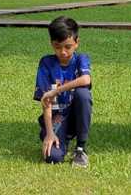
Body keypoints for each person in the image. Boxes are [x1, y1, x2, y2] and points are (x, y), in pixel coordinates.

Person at [34, 16, 92, 168]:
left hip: (75, 115)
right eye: (57, 47)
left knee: (83, 94)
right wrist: (49, 133)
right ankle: (60, 138)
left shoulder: (81, 59)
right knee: (52, 157)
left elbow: (86, 79)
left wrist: (57, 90)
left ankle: (80, 148)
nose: (63, 52)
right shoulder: (46, 63)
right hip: (57, 117)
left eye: (68, 46)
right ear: (51, 43)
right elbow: (46, 101)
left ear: (77, 43)